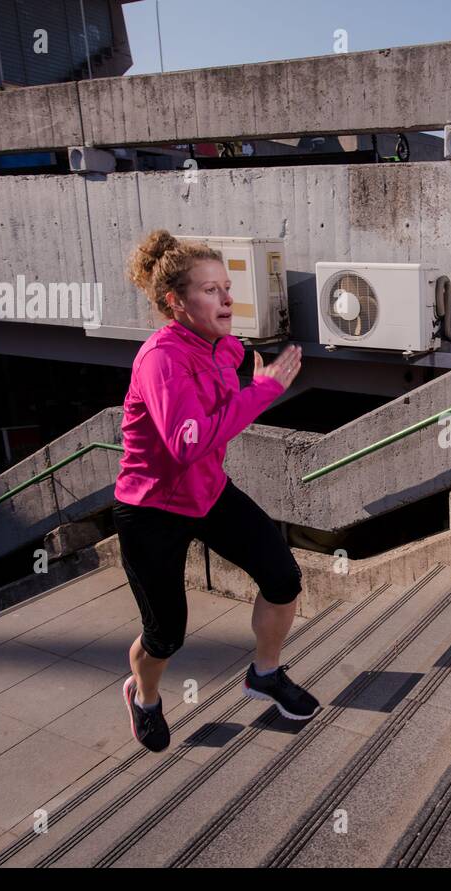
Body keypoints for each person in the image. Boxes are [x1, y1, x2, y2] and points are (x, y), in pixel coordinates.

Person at [112, 229, 316, 753]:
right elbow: (188, 442)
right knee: (166, 636)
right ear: (174, 302)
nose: (227, 299)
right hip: (151, 510)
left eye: (227, 287)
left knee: (283, 577)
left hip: (208, 494)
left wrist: (250, 387)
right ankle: (146, 697)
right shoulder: (161, 359)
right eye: (210, 290)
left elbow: (216, 420)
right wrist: (263, 393)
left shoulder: (225, 348)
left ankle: (264, 674)